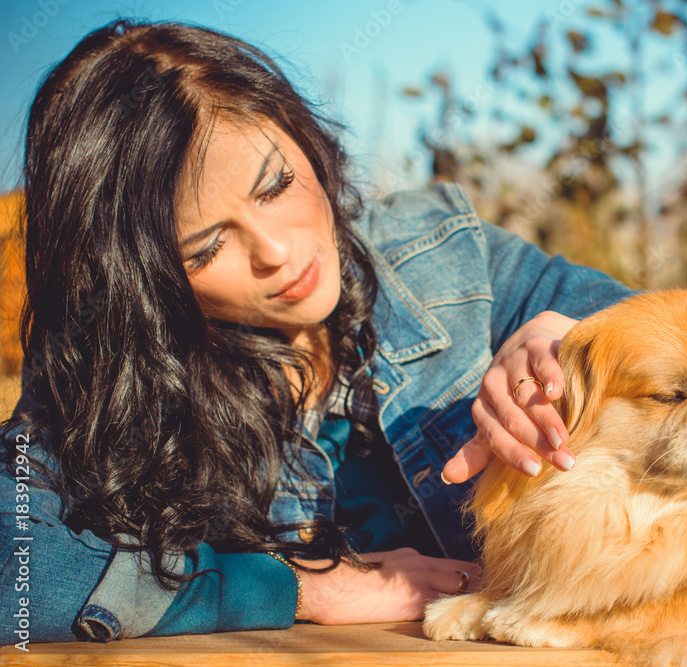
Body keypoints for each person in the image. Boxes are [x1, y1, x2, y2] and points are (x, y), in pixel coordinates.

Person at [0, 19, 633, 644]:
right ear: (139, 278)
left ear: (302, 135)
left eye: (275, 186)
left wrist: (581, 334)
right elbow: (15, 573)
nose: (275, 250)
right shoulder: (102, 363)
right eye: (207, 246)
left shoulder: (448, 253)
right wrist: (295, 587)